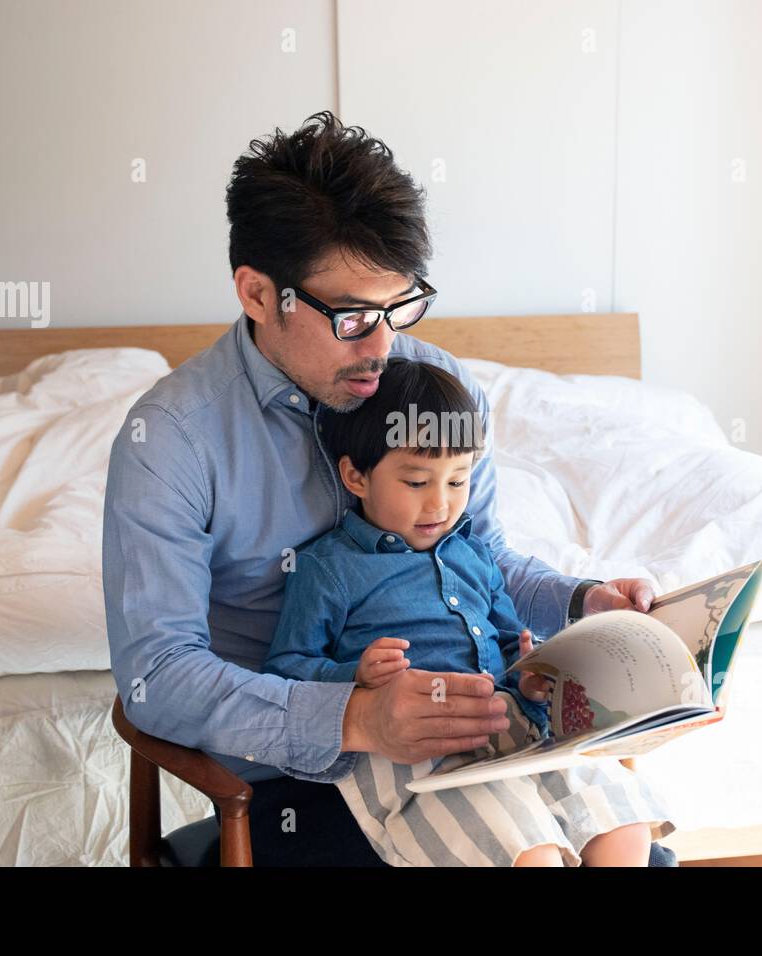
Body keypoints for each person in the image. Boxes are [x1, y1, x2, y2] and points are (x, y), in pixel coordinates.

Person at [102, 110, 676, 865]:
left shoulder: (438, 387)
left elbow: (476, 557)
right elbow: (158, 678)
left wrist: (583, 601)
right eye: (350, 317)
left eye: (399, 306)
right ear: (255, 293)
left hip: (479, 742)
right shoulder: (172, 441)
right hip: (296, 784)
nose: (384, 345)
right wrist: (361, 717)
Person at [262, 358, 674, 866]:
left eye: (457, 482)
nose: (440, 504)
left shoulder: (472, 554)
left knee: (621, 816)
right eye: (417, 482)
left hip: (516, 735)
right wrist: (355, 677)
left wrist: (531, 678)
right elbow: (284, 671)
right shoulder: (330, 567)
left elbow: (506, 645)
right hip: (419, 756)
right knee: (529, 850)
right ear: (356, 475)